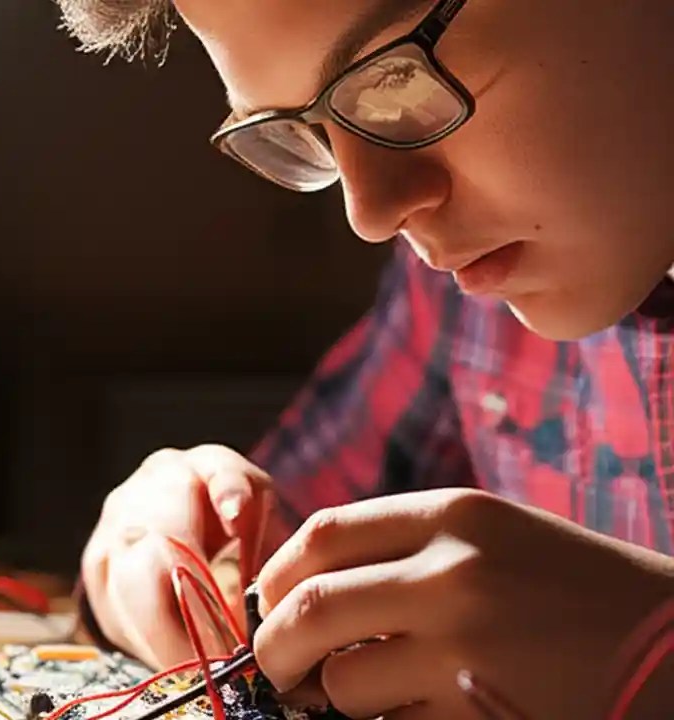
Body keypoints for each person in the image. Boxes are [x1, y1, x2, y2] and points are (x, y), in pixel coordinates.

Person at [56, 0, 674, 718]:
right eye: (305, 134)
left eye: (398, 81)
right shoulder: (468, 292)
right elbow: (282, 557)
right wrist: (168, 556)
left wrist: (653, 657)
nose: (372, 213)